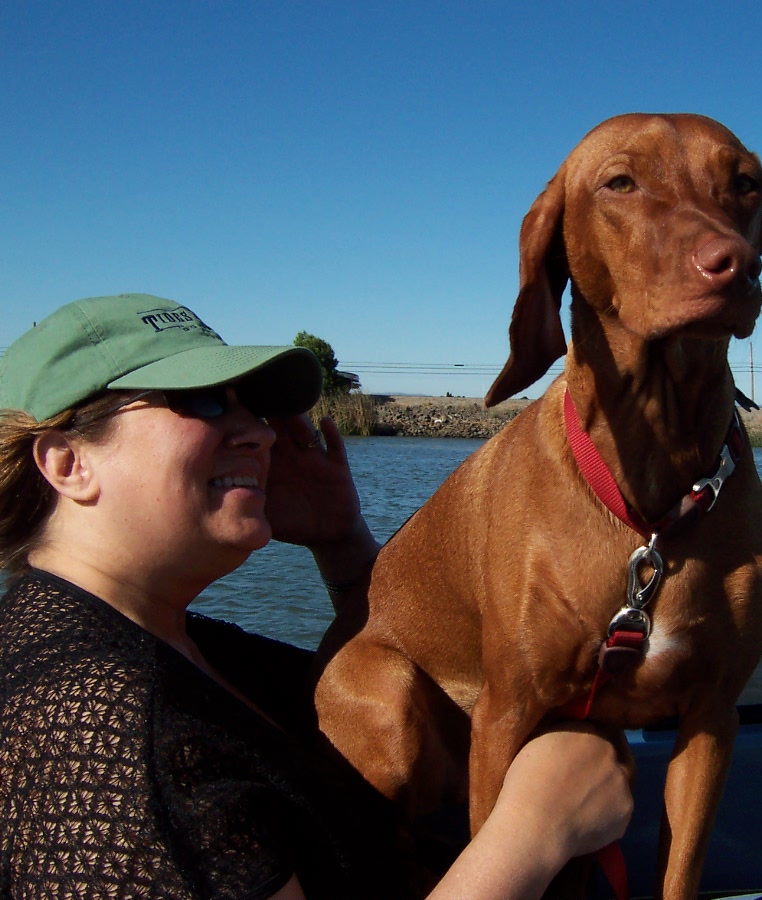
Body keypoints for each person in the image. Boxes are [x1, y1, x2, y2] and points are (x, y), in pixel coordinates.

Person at [0, 293, 632, 899]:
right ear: (67, 464)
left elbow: (376, 683)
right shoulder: (97, 734)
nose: (261, 434)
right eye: (201, 401)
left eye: (251, 406)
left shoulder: (173, 643)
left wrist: (342, 541)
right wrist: (532, 836)